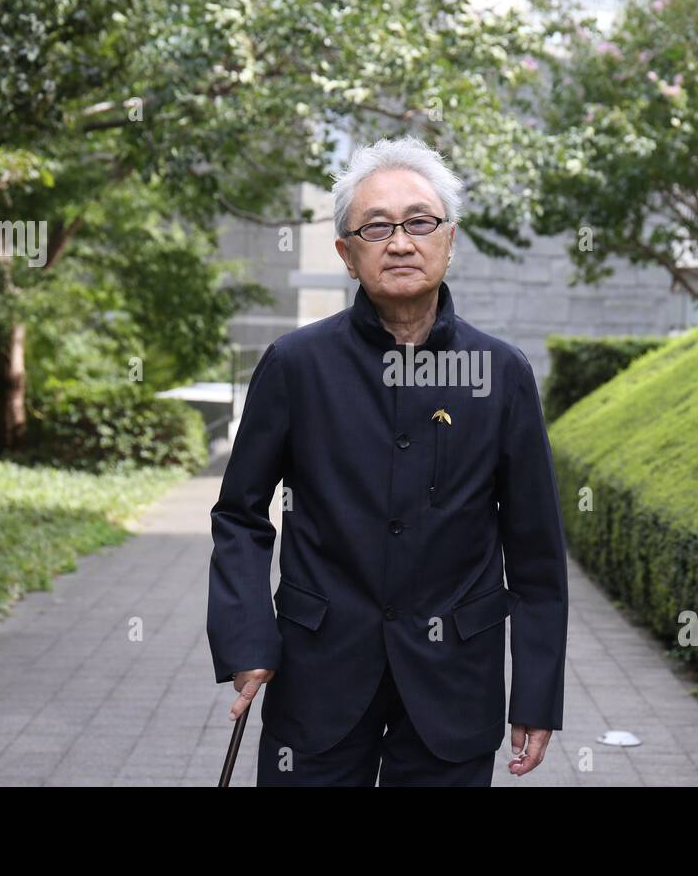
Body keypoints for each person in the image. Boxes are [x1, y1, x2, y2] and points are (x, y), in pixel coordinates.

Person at [206, 135, 568, 786]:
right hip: (317, 680)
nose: (400, 242)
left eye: (420, 222)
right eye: (376, 227)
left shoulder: (502, 374)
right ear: (347, 254)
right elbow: (239, 513)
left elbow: (537, 553)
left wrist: (537, 696)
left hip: (455, 685)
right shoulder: (296, 366)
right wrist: (246, 639)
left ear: (449, 241)